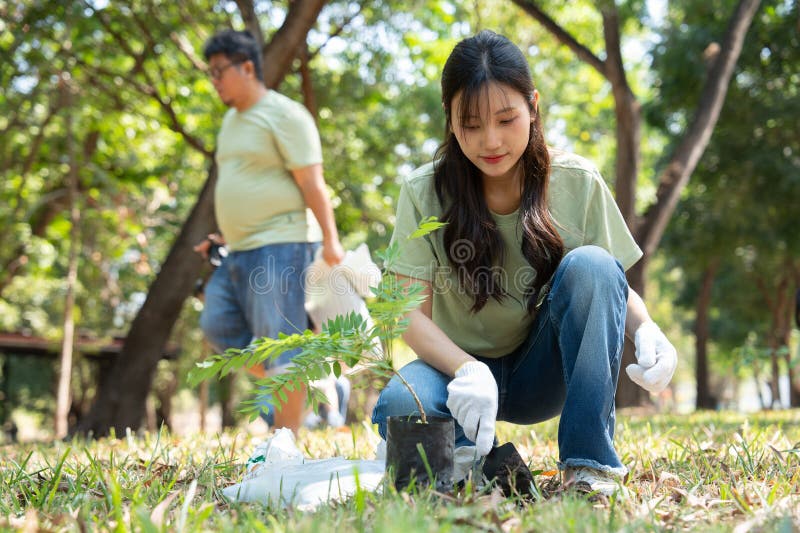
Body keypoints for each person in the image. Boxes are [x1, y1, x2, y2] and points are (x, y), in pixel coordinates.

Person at [371, 30, 677, 496]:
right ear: (450, 121)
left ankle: (589, 466)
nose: (490, 141)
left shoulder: (577, 181)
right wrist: (465, 369)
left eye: (506, 118)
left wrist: (648, 330)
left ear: (533, 106)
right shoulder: (423, 191)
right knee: (399, 405)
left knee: (591, 263)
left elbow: (605, 283)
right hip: (456, 377)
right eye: (470, 124)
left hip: (543, 372)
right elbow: (406, 313)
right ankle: (469, 459)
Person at [195, 29, 345, 435]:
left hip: (283, 244)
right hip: (240, 249)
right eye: (210, 73)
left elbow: (312, 182)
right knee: (216, 324)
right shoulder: (230, 122)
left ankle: (287, 444)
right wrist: (225, 235)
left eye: (219, 71)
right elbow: (246, 182)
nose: (215, 81)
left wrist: (332, 241)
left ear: (247, 67)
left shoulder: (286, 115)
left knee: (280, 343)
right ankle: (316, 384)